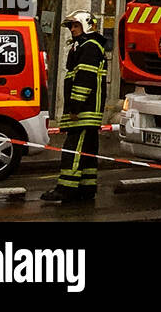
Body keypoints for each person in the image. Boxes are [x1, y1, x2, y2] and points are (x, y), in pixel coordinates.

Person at [41, 11, 107, 204]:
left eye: (76, 26)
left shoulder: (89, 47)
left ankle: (66, 189)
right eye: (71, 27)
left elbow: (84, 78)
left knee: (73, 148)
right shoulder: (84, 46)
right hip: (87, 110)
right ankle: (86, 188)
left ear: (87, 26)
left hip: (84, 110)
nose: (72, 30)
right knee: (87, 150)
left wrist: (75, 106)